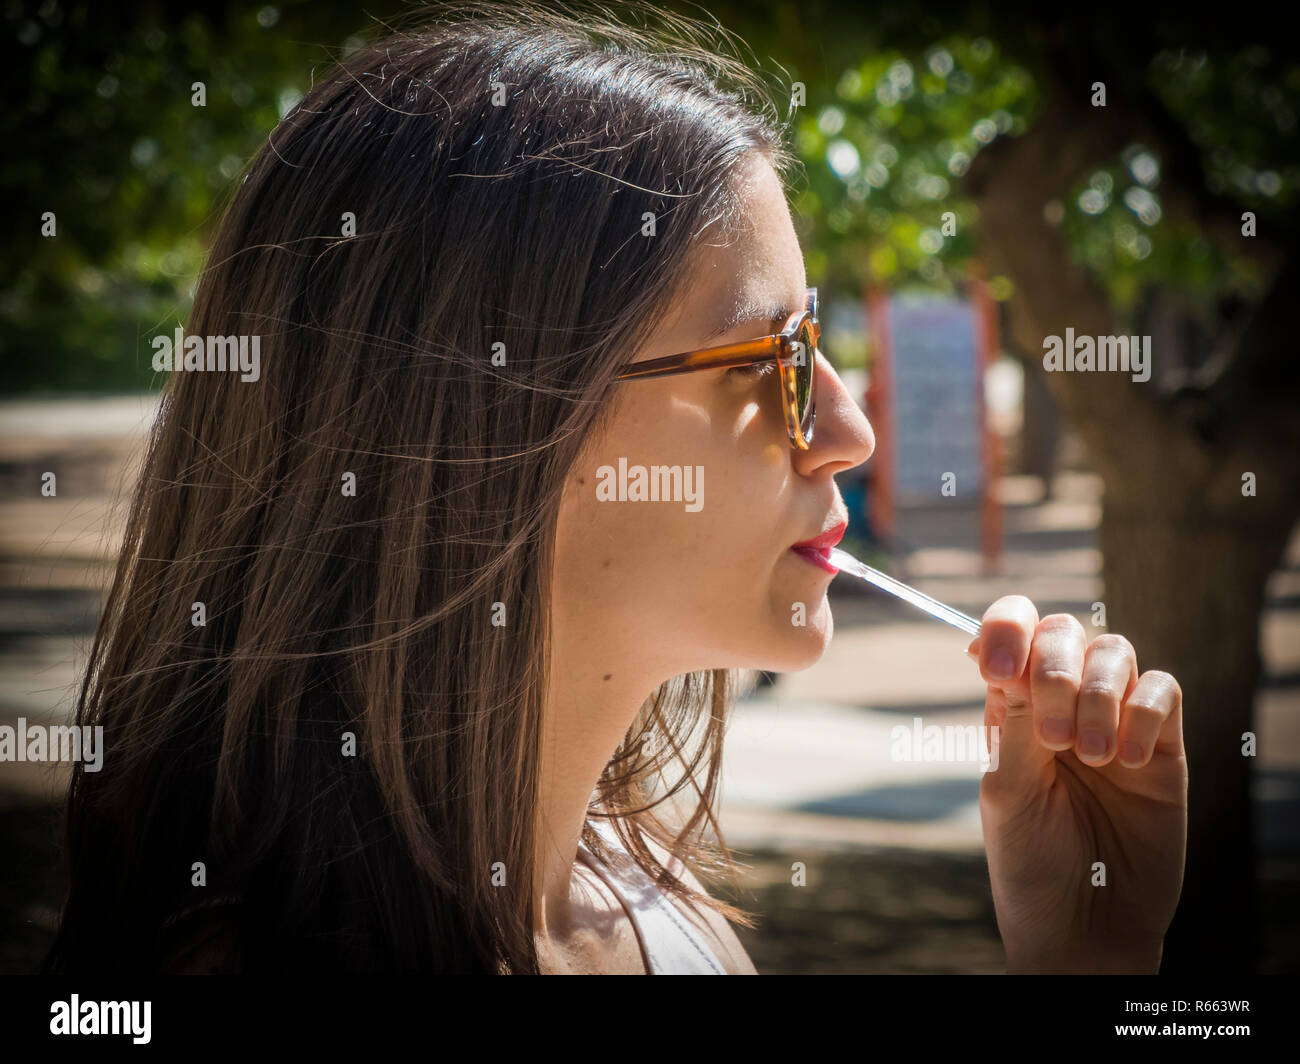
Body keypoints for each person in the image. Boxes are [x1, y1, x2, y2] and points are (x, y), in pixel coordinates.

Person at [41, 0, 1186, 975]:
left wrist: (1092, 960)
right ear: (503, 412)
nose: (848, 429)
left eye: (820, 347)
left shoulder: (660, 912)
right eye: (773, 360)